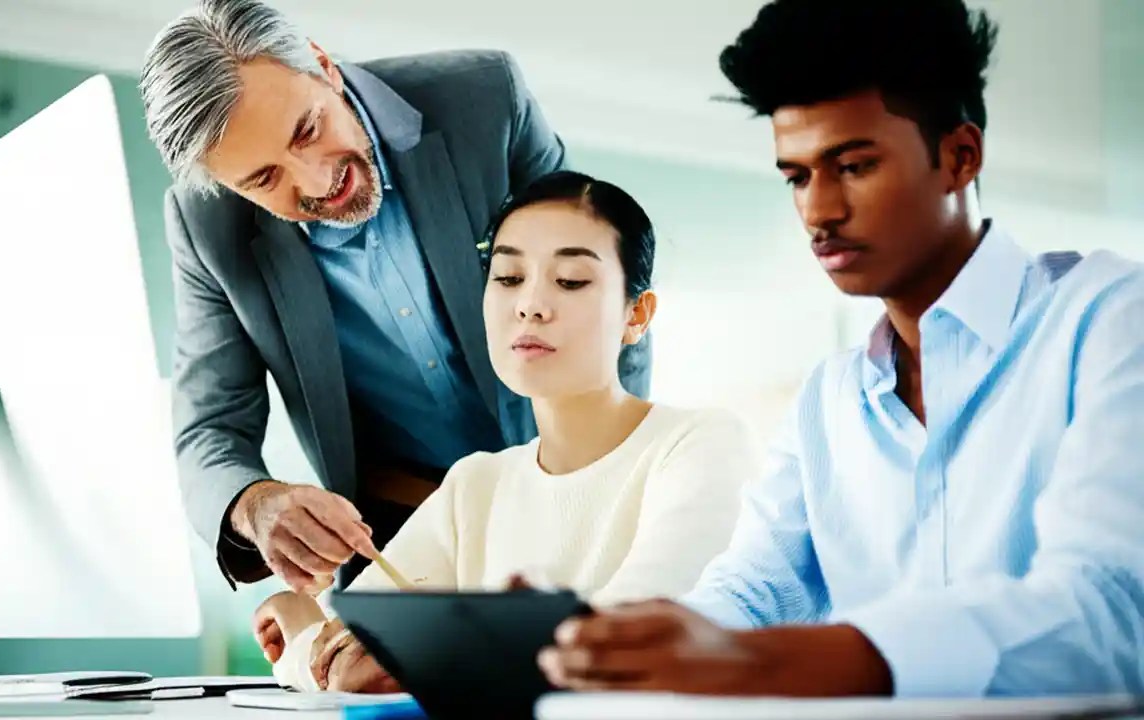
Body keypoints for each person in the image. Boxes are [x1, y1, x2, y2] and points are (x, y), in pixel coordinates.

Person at [540, 0, 1144, 698]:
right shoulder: (830, 398)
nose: (818, 212)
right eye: (796, 176)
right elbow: (751, 591)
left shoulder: (1110, 321)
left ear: (959, 156)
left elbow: (1107, 608)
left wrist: (758, 661)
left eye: (853, 166)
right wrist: (610, 641)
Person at [138, 0, 651, 591]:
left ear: (324, 68)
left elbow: (604, 290)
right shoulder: (204, 225)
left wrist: (609, 482)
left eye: (307, 130)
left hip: (570, 487)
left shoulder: (485, 99)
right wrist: (256, 504)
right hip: (400, 532)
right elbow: (210, 428)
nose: (314, 181)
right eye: (264, 179)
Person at [251, 171, 757, 693]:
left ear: (637, 314)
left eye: (571, 281)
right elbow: (346, 656)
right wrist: (300, 624)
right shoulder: (476, 484)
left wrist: (421, 655)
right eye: (509, 278)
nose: (530, 305)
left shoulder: (699, 445)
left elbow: (626, 638)